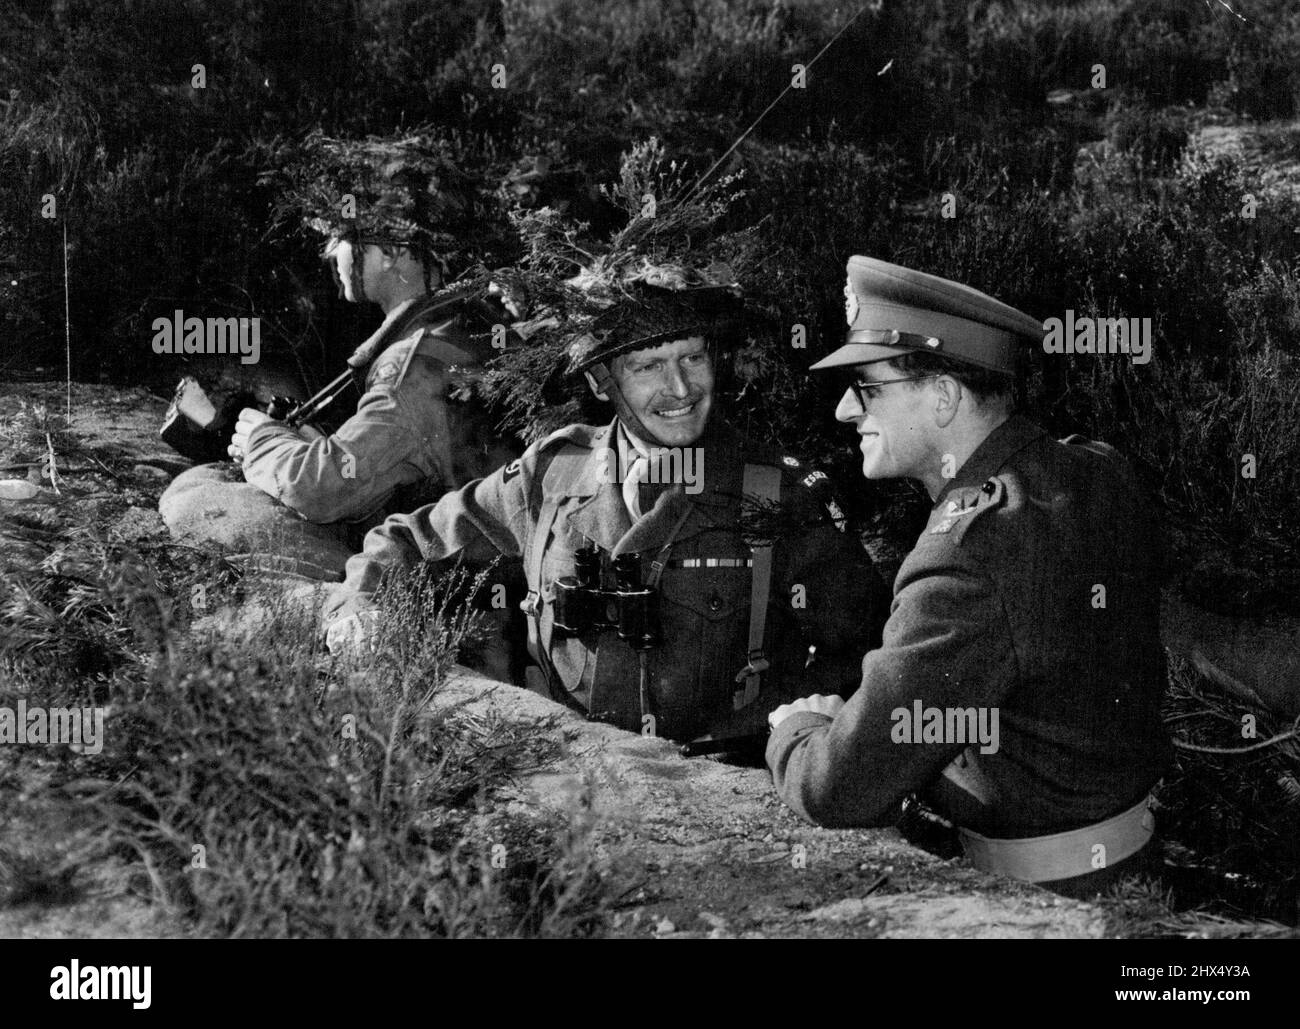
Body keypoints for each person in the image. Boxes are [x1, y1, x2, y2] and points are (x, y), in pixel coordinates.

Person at [324, 281, 890, 743]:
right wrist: (360, 607)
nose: (681, 388)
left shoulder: (777, 492)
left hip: (719, 793)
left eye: (692, 357)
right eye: (648, 367)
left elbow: (861, 651)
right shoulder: (551, 474)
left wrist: (782, 733)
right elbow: (409, 539)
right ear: (601, 381)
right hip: (570, 774)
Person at [766, 256, 1171, 897]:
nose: (845, 410)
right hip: (1132, 868)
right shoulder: (1093, 471)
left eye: (867, 387)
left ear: (946, 395)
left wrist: (799, 728)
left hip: (1047, 901)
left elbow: (836, 787)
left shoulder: (968, 557)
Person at [160, 134, 517, 583]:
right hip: (476, 557)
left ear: (391, 253)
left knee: (202, 498)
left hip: (460, 588)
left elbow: (318, 489)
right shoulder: (465, 320)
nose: (334, 254)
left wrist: (264, 441)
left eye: (344, 239)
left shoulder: (414, 365)